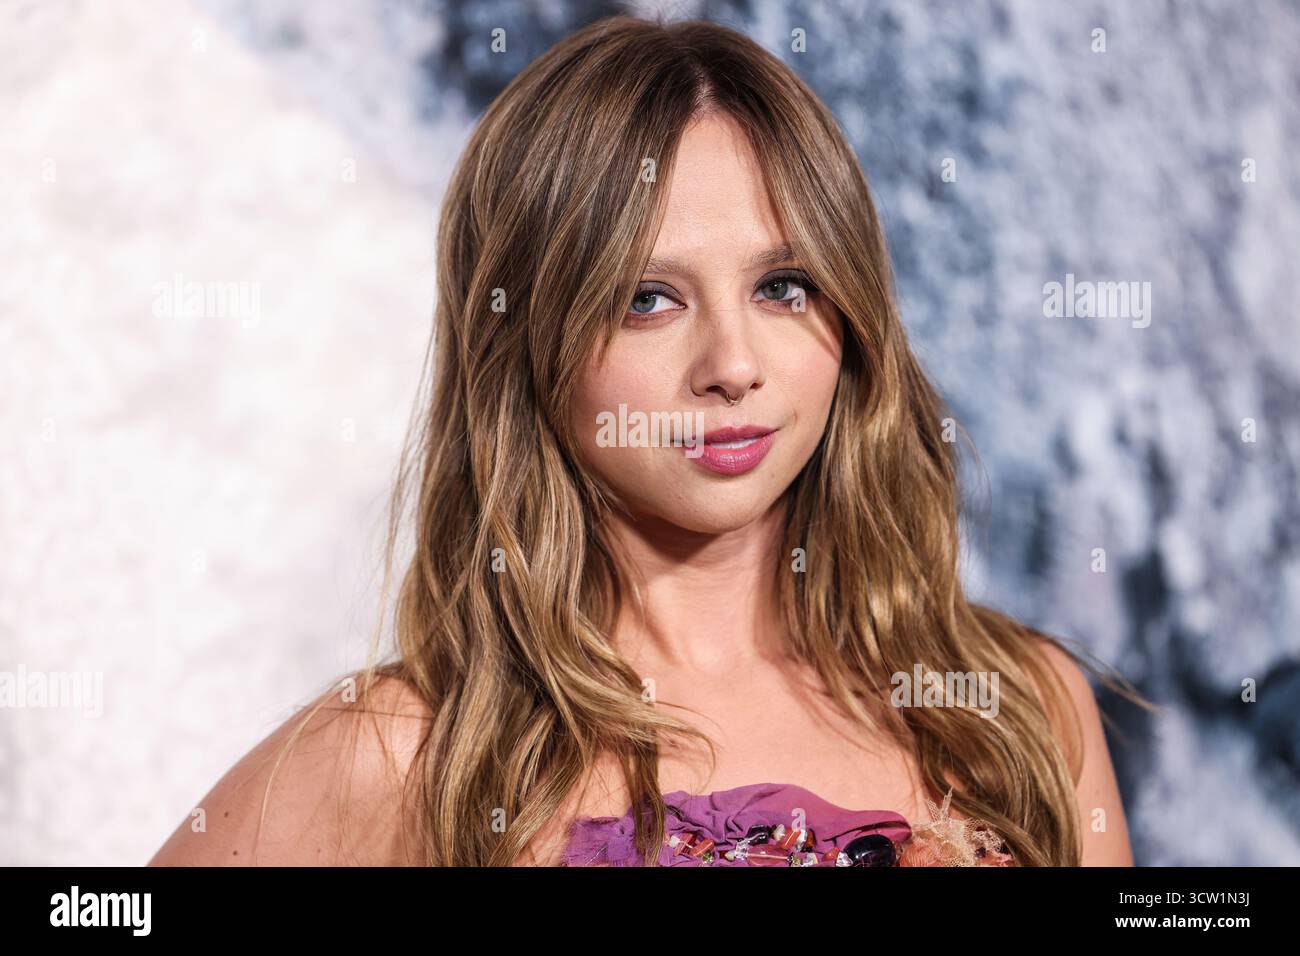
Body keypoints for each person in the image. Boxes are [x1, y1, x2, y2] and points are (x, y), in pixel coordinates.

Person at [150, 14, 1149, 868]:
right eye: (647, 299)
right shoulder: (407, 753)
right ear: (526, 339)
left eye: (781, 286)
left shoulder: (1017, 710)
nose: (732, 363)